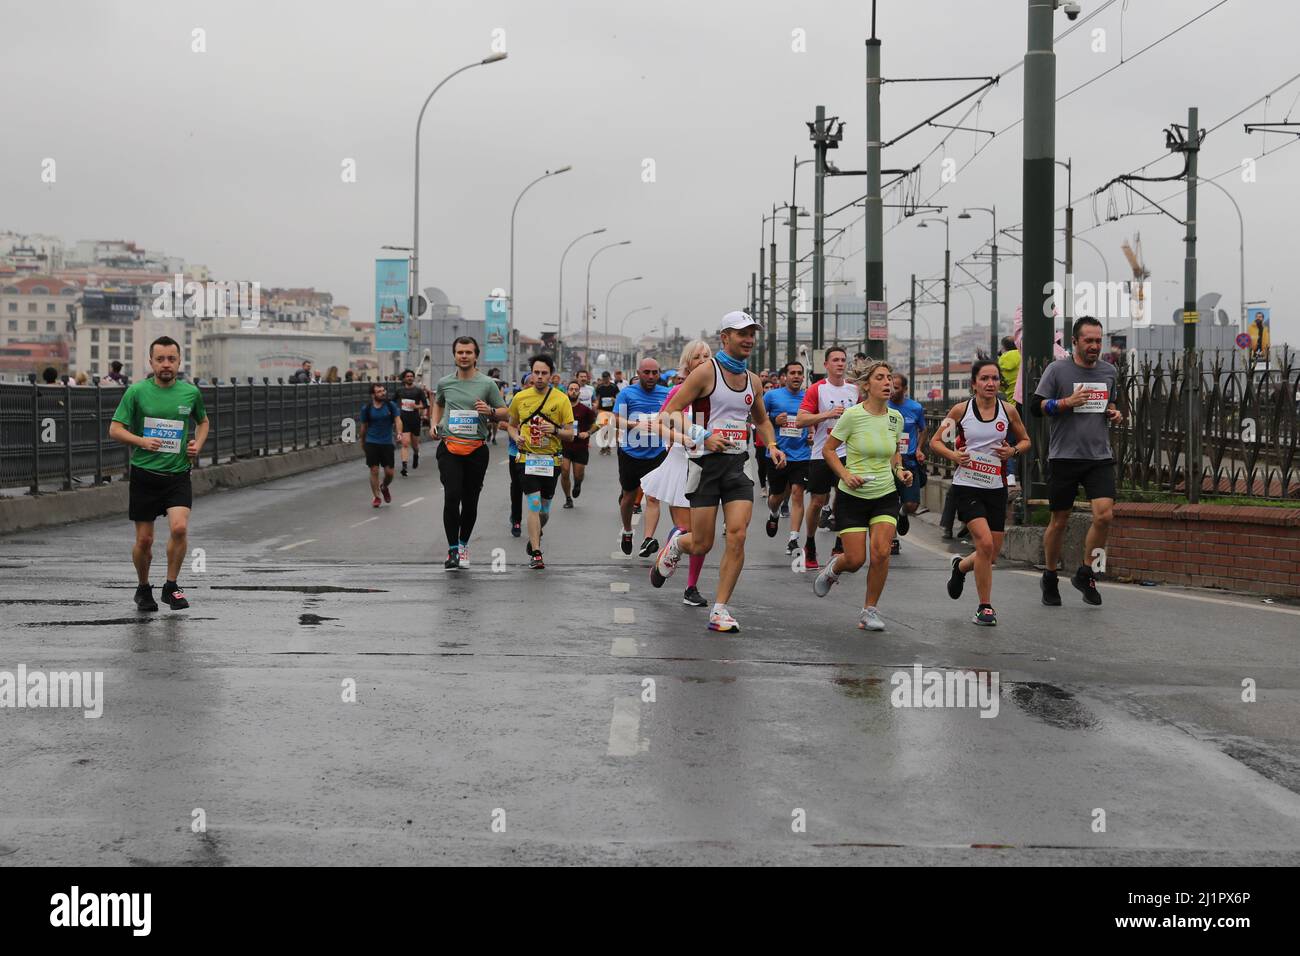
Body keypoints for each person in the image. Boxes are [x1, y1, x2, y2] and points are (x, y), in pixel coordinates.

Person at [651, 312, 785, 633]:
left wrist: (772, 445)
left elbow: (762, 419)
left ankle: (720, 609)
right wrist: (702, 435)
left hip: (739, 464)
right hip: (704, 464)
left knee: (737, 535)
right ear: (724, 337)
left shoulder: (753, 380)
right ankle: (676, 546)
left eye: (752, 333)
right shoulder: (704, 373)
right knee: (702, 543)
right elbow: (669, 414)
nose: (749, 339)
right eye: (742, 333)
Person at [108, 335, 209, 612]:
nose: (166, 365)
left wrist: (196, 445)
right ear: (151, 362)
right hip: (144, 474)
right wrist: (142, 441)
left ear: (179, 362)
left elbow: (203, 422)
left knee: (179, 527)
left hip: (177, 474)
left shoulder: (190, 393)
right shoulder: (136, 392)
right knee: (145, 540)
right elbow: (115, 429)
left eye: (172, 359)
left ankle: (171, 586)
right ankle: (143, 588)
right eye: (160, 359)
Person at [810, 362, 910, 631]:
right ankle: (834, 569)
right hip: (852, 495)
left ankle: (870, 611)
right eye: (880, 378)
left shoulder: (895, 418)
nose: (887, 383)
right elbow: (829, 450)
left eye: (889, 378)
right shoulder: (852, 416)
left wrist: (900, 470)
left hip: (885, 494)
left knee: (881, 552)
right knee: (855, 560)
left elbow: (893, 452)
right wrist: (845, 475)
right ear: (867, 385)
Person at [1032, 315, 1123, 606]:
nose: (1095, 345)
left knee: (1105, 515)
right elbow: (1035, 407)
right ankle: (1049, 575)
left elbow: (1111, 401)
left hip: (1099, 455)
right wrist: (1064, 403)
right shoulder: (1057, 370)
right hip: (1064, 456)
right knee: (1059, 521)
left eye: (1099, 340)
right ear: (1074, 342)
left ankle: (1086, 572)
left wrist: (1114, 411)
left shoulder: (1109, 371)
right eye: (1089, 340)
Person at [932, 360, 1030, 626]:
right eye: (985, 379)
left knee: (992, 552)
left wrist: (1013, 452)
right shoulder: (961, 411)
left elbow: (1025, 441)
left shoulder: (1008, 411)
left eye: (995, 379)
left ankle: (960, 567)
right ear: (974, 383)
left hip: (995, 487)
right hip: (967, 485)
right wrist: (955, 455)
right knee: (984, 544)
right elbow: (935, 441)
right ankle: (984, 607)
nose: (990, 384)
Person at [640, 339, 713, 607]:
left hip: (710, 465)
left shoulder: (717, 393)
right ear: (688, 363)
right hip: (681, 463)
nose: (703, 360)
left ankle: (691, 587)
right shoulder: (680, 392)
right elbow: (658, 424)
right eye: (698, 356)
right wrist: (683, 438)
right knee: (688, 529)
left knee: (703, 536)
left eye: (707, 356)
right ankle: (670, 553)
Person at [431, 337, 508, 569]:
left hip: (476, 449)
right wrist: (434, 425)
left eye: (468, 352)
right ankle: (452, 550)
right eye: (459, 352)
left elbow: (506, 413)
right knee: (452, 496)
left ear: (476, 356)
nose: (463, 356)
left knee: (470, 500)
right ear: (454, 355)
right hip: (450, 447)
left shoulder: (487, 384)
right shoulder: (445, 382)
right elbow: (438, 402)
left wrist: (490, 410)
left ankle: (463, 544)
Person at [507, 354, 576, 570]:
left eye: (543, 373)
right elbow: (511, 424)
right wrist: (515, 436)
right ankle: (537, 553)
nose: (539, 377)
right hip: (527, 459)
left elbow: (570, 434)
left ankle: (535, 533)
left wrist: (554, 430)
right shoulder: (520, 398)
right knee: (533, 504)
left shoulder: (561, 399)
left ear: (551, 375)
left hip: (551, 461)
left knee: (544, 509)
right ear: (530, 374)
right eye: (536, 373)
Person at [795, 346, 857, 570]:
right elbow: (801, 420)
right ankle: (809, 543)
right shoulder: (817, 389)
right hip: (822, 453)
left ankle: (840, 544)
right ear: (827, 365)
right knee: (818, 502)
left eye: (843, 360)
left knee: (844, 498)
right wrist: (827, 415)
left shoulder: (854, 390)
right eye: (836, 360)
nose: (840, 364)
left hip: (847, 454)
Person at [614, 358, 671, 557]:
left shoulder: (666, 394)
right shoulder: (627, 393)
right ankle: (627, 530)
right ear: (639, 373)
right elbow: (616, 419)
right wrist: (634, 424)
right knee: (628, 497)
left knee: (653, 497)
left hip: (656, 453)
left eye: (655, 372)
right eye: (646, 372)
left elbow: (676, 418)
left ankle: (647, 539)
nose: (651, 376)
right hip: (631, 453)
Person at [763, 361, 811, 554]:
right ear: (785, 377)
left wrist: (811, 432)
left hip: (801, 455)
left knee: (797, 493)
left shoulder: (809, 397)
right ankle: (774, 513)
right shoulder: (772, 396)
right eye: (793, 373)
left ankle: (793, 538)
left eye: (800, 373)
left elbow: (813, 418)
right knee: (777, 496)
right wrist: (774, 420)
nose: (797, 376)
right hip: (777, 454)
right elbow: (757, 419)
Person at [887, 372, 927, 555]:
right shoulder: (882, 406)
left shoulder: (915, 408)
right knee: (889, 503)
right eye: (890, 386)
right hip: (888, 461)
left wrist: (919, 448)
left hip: (909, 461)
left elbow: (923, 430)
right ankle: (893, 539)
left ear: (904, 389)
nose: (892, 390)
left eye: (896, 387)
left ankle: (903, 514)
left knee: (911, 504)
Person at [358, 382, 402, 508]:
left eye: (383, 391)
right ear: (373, 395)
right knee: (374, 470)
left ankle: (384, 486)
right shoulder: (366, 409)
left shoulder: (390, 405)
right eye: (379, 391)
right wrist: (363, 442)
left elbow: (398, 420)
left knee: (389, 473)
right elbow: (363, 427)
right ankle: (376, 496)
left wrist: (399, 433)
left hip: (387, 443)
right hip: (371, 442)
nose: (383, 393)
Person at [560, 381, 596, 508]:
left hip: (580, 446)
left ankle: (578, 484)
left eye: (576, 389)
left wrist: (588, 432)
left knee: (578, 475)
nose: (573, 391)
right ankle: (568, 498)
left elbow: (596, 424)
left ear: (579, 393)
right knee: (564, 471)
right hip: (564, 445)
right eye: (571, 389)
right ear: (567, 392)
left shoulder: (585, 410)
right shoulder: (561, 408)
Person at [394, 368, 429, 477]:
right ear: (404, 378)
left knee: (415, 444)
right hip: (404, 419)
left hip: (415, 419)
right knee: (405, 443)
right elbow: (392, 402)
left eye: (411, 376)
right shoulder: (399, 391)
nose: (410, 378)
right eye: (408, 376)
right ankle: (404, 467)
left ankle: (416, 454)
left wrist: (416, 406)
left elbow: (425, 405)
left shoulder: (418, 391)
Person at [593, 371, 619, 455]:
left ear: (609, 378)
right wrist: (596, 408)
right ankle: (603, 446)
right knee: (603, 428)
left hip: (611, 410)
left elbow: (618, 398)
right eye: (604, 378)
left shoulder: (614, 387)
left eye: (607, 378)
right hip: (602, 410)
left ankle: (608, 447)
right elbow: (597, 398)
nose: (605, 379)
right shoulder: (599, 387)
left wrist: (613, 400)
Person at [997, 337, 1020, 403]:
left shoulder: (1001, 362)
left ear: (1004, 348)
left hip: (1012, 401)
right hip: (1024, 398)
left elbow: (1002, 387)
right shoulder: (1022, 355)